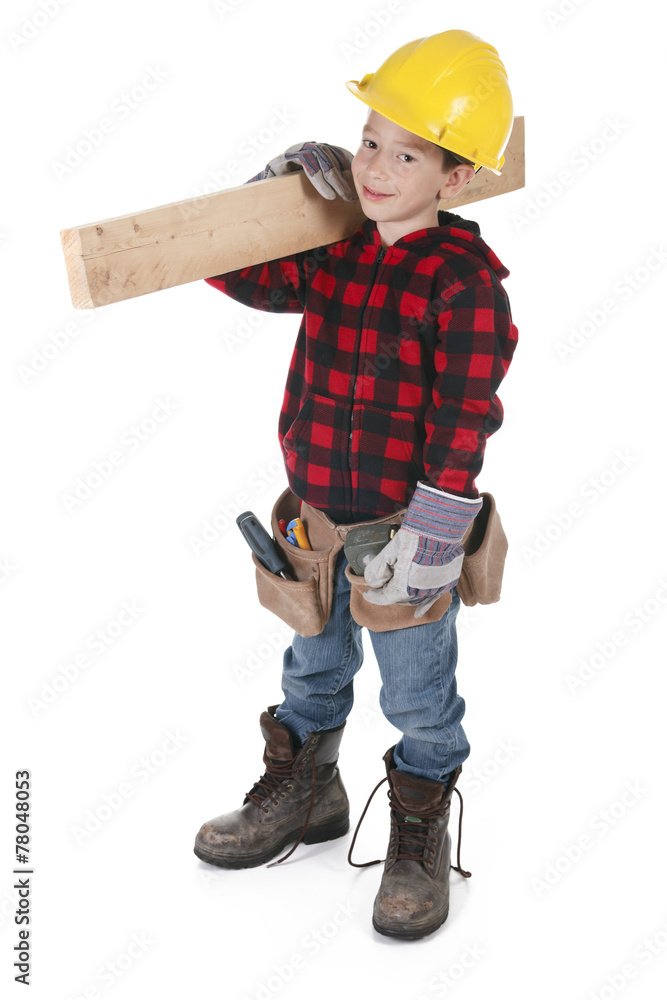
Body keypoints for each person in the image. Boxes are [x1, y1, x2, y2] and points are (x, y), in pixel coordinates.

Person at [194, 28, 518, 940]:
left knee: (416, 690)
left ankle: (417, 827)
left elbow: (464, 418)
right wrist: (273, 190)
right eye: (368, 141)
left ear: (455, 179)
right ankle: (306, 794)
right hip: (317, 523)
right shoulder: (337, 255)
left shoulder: (462, 286)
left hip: (404, 535)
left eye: (406, 153)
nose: (374, 167)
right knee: (313, 664)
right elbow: (235, 273)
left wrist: (432, 539)